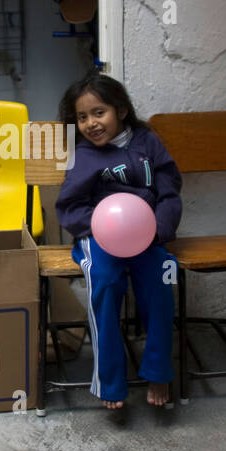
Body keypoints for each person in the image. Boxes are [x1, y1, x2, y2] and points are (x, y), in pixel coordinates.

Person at [56, 72, 182, 409]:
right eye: (82, 117)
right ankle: (110, 380)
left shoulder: (148, 143)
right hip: (98, 237)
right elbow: (69, 206)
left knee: (161, 280)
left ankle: (158, 370)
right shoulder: (84, 156)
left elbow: (169, 190)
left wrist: (159, 228)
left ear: (121, 110)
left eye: (99, 113)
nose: (90, 124)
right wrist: (99, 229)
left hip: (147, 234)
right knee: (106, 282)